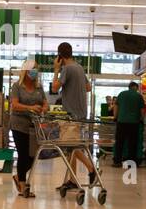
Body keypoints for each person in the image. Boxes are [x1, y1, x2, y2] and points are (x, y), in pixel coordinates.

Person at [50, 42, 96, 194]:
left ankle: (91, 168)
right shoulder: (79, 68)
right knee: (72, 146)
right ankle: (72, 180)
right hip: (81, 113)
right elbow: (88, 88)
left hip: (70, 114)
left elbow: (54, 88)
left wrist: (56, 70)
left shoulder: (67, 68)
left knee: (71, 145)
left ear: (60, 56)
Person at [7, 60, 47, 198]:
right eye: (32, 69)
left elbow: (45, 103)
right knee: (23, 154)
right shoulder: (17, 86)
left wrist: (44, 109)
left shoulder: (39, 88)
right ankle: (23, 187)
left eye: (36, 68)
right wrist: (30, 108)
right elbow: (15, 105)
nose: (34, 71)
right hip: (19, 124)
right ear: (25, 70)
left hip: (34, 126)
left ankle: (18, 177)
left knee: (34, 156)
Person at [113, 81, 146, 167]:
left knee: (119, 142)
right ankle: (131, 163)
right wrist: (142, 119)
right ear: (136, 87)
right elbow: (142, 110)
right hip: (134, 123)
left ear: (129, 87)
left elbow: (116, 106)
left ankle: (117, 161)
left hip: (121, 122)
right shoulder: (139, 96)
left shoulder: (121, 94)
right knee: (132, 143)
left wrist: (115, 117)